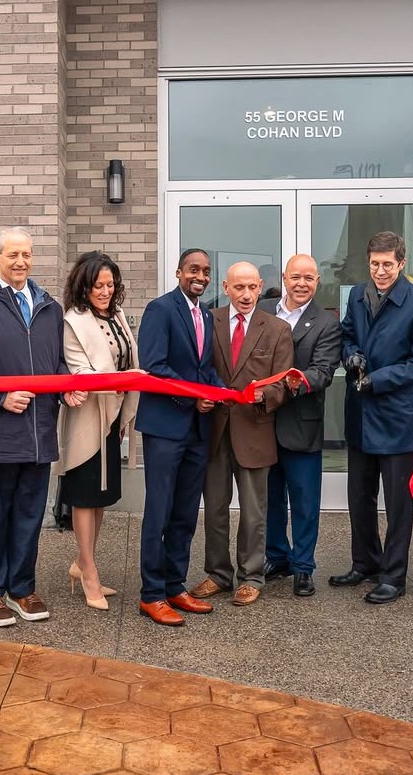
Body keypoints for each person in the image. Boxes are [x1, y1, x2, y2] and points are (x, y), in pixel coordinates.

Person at [0, 227, 85, 627]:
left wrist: (65, 390)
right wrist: (0, 395)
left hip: (38, 434)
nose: (20, 261)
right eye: (12, 255)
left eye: (26, 254)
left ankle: (22, 588)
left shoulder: (50, 308)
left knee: (28, 516)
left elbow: (56, 363)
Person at [335, 231, 413, 605]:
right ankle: (364, 561)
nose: (380, 271)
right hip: (360, 414)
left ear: (402, 264)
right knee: (359, 497)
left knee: (397, 503)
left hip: (397, 418)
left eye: (387, 264)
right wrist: (351, 355)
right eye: (374, 264)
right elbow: (347, 334)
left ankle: (393, 575)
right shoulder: (356, 295)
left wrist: (376, 379)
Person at [190, 262, 293, 607]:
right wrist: (200, 397)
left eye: (252, 287)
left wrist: (266, 396)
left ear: (261, 286)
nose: (246, 295)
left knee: (253, 512)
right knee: (215, 509)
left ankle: (251, 576)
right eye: (238, 288)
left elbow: (285, 382)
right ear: (226, 287)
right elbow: (199, 370)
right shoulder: (209, 319)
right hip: (215, 431)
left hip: (255, 431)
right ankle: (218, 573)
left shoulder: (277, 329)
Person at [134, 248, 222, 626]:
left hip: (197, 431)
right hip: (165, 427)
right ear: (178, 272)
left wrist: (224, 392)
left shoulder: (205, 314)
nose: (200, 276)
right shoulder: (160, 309)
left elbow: (207, 369)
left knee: (186, 513)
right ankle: (151, 594)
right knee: (160, 511)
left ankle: (175, 585)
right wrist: (193, 395)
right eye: (193, 270)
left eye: (205, 271)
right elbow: (155, 367)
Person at [55, 251, 140, 611]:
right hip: (87, 417)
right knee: (84, 496)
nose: (105, 291)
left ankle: (82, 561)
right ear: (83, 285)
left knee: (101, 498)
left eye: (110, 284)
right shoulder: (72, 320)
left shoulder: (117, 315)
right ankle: (88, 571)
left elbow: (129, 358)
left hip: (112, 416)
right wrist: (125, 381)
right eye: (98, 285)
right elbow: (81, 371)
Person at [259, 254, 341, 597]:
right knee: (270, 497)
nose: (302, 283)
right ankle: (277, 556)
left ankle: (303, 566)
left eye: (309, 277)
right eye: (296, 277)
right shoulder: (262, 310)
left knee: (305, 500)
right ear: (285, 277)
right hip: (261, 422)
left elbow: (323, 371)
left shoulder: (326, 323)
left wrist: (292, 381)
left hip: (301, 422)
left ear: (317, 282)